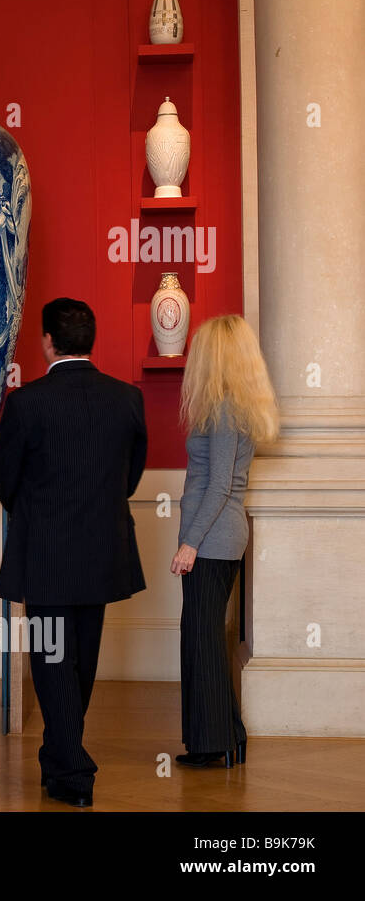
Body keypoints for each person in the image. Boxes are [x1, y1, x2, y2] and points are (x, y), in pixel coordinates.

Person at [0, 298, 148, 807]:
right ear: (90, 340)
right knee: (80, 661)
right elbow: (131, 476)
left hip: (46, 552)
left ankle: (72, 772)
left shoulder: (26, 403)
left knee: (54, 660)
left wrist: (34, 514)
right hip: (102, 549)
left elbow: (5, 479)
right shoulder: (126, 399)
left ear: (47, 342)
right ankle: (61, 754)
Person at [171, 315, 279, 769]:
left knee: (202, 638)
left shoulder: (224, 410)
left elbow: (217, 486)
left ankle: (214, 744)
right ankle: (226, 738)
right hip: (220, 537)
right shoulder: (233, 406)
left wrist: (189, 543)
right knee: (207, 638)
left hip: (213, 539)